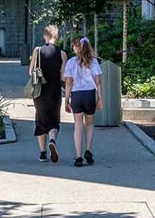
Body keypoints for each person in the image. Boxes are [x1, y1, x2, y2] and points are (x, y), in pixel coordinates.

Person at [63, 35, 103, 168]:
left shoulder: (70, 62)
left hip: (76, 95)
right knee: (90, 124)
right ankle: (88, 150)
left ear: (76, 47)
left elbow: (68, 82)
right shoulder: (93, 62)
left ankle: (78, 156)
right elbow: (98, 81)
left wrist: (66, 100)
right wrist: (100, 99)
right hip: (90, 94)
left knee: (78, 125)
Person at [30, 25, 67, 163]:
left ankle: (42, 153)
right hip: (55, 91)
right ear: (57, 36)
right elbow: (63, 77)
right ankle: (52, 140)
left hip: (40, 90)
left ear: (45, 36)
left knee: (41, 119)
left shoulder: (37, 50)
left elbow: (31, 72)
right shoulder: (62, 54)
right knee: (54, 120)